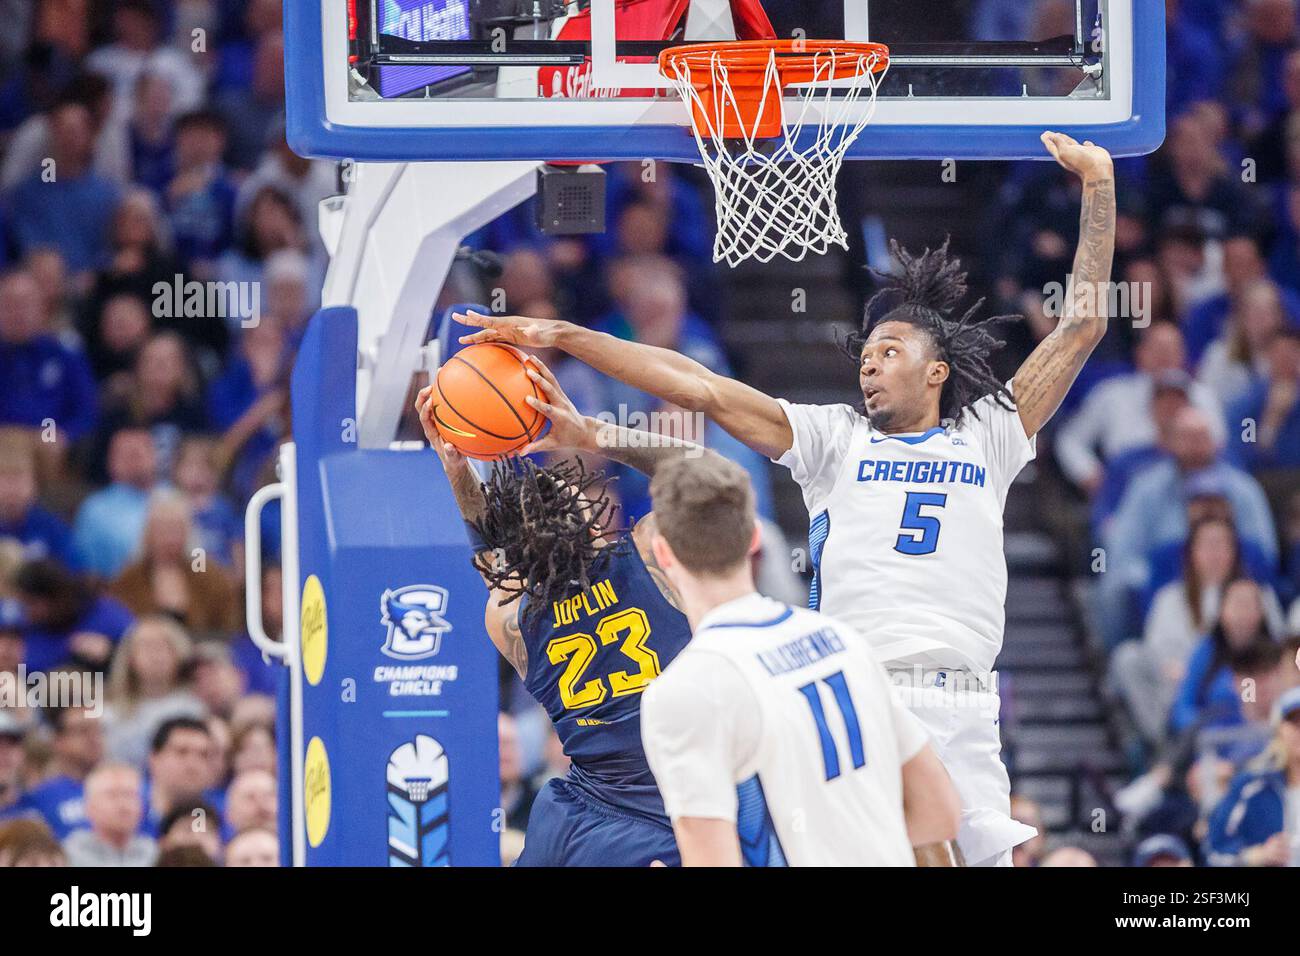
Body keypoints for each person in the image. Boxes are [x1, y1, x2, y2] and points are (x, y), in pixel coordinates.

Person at [453, 130, 1116, 866]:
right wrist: (567, 336)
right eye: (864, 357)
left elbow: (1083, 323)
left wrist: (1099, 182)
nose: (869, 367)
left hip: (960, 700)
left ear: (937, 372)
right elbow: (698, 388)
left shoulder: (991, 433)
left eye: (888, 353)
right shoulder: (832, 439)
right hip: (848, 690)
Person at [413, 356, 712, 867]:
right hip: (659, 813)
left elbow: (495, 561)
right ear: (594, 522)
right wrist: (592, 434)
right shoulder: (649, 558)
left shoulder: (510, 616)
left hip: (571, 819)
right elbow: (703, 473)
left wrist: (458, 470)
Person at [638, 455, 961, 866]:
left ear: (663, 554)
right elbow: (940, 812)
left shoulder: (684, 689)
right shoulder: (840, 638)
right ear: (756, 538)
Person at [1204, 685, 1300, 866]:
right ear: (1279, 729)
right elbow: (1213, 852)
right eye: (1294, 722)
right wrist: (1255, 856)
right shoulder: (1253, 786)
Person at [61, 763, 156, 867]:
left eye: (129, 795)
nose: (123, 805)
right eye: (112, 795)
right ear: (89, 807)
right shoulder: (68, 855)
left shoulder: (156, 856)